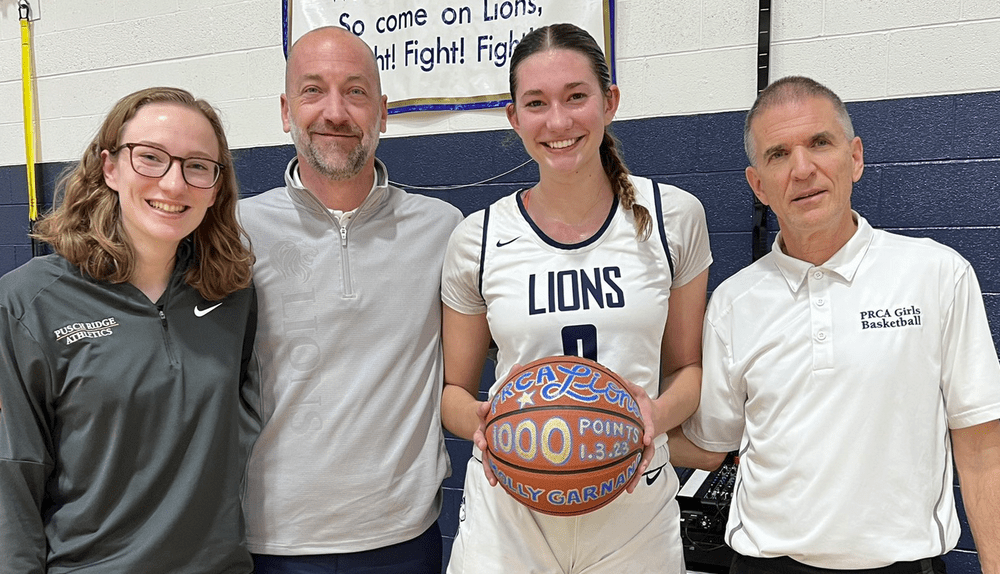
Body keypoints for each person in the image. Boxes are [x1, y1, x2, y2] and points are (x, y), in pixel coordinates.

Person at [673, 76, 1000, 573]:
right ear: (759, 185)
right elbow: (711, 444)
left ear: (855, 158)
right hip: (766, 563)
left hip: (902, 564)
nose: (802, 169)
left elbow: (981, 443)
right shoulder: (733, 303)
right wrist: (624, 429)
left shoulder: (937, 273)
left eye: (820, 143)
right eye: (778, 154)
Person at [440, 23, 712, 573]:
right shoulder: (478, 237)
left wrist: (654, 416)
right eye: (536, 103)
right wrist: (483, 424)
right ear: (514, 117)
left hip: (634, 504)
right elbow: (453, 394)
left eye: (576, 96)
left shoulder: (673, 217)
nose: (558, 121)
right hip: (510, 511)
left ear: (609, 102)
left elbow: (688, 370)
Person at [0, 87, 258, 573]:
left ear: (215, 188)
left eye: (197, 166)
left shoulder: (232, 294)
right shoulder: (28, 302)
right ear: (110, 167)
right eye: (151, 158)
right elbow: (13, 476)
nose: (174, 183)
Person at [237, 26, 463, 574]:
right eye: (313, 91)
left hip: (404, 537)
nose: (335, 112)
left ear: (382, 112)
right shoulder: (235, 231)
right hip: (275, 542)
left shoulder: (443, 229)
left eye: (356, 92)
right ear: (286, 111)